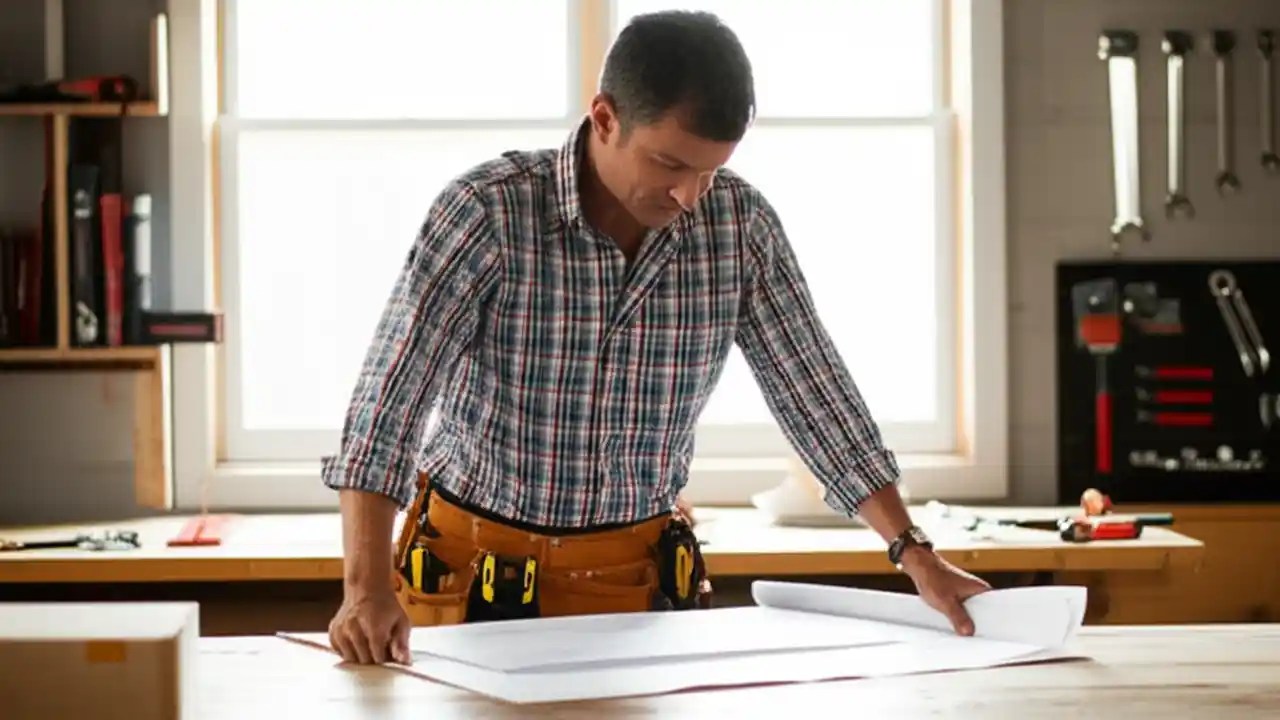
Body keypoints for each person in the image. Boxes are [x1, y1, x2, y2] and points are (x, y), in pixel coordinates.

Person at [322, 10, 991, 666]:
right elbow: (388, 406)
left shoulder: (739, 227)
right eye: (670, 163)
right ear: (605, 117)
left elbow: (817, 399)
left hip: (639, 586)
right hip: (471, 580)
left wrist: (916, 554)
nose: (689, 195)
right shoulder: (488, 213)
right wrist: (365, 589)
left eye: (709, 171)